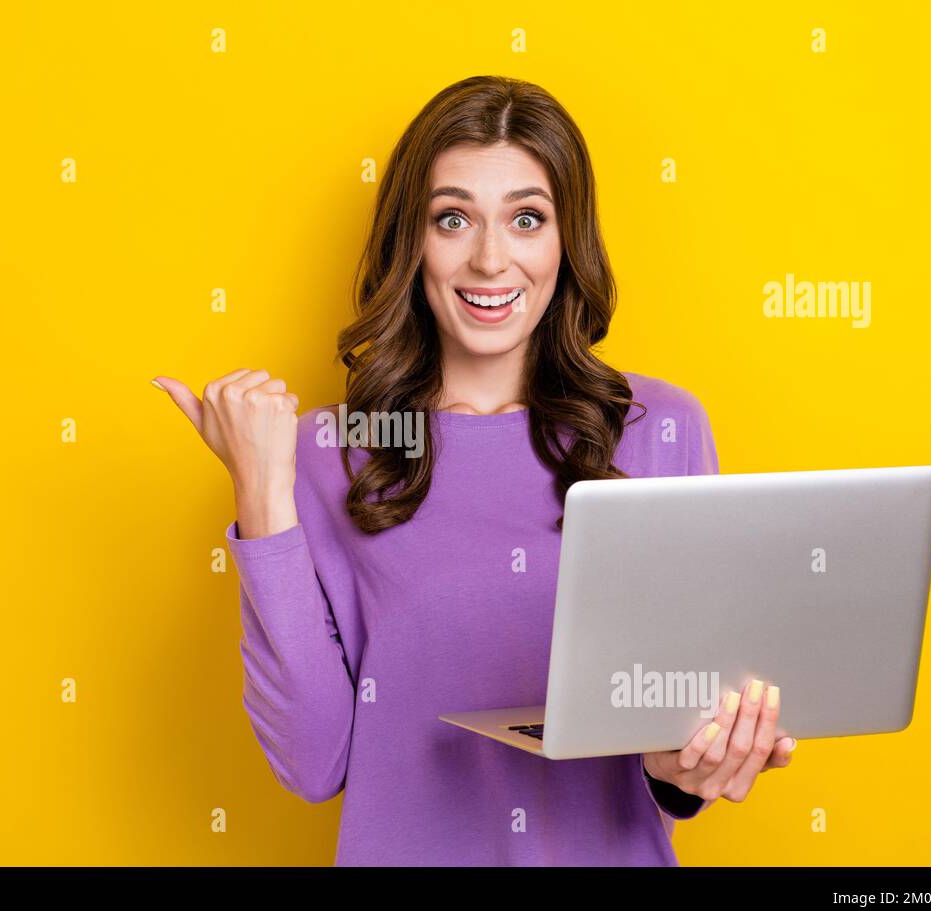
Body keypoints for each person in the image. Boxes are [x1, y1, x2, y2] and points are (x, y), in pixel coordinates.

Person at [156, 75, 795, 865]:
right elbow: (313, 763)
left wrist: (680, 770)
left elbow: (675, 730)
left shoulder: (659, 430)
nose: (491, 260)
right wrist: (261, 492)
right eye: (452, 219)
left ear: (567, 241)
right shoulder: (328, 451)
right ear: (411, 240)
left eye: (527, 219)